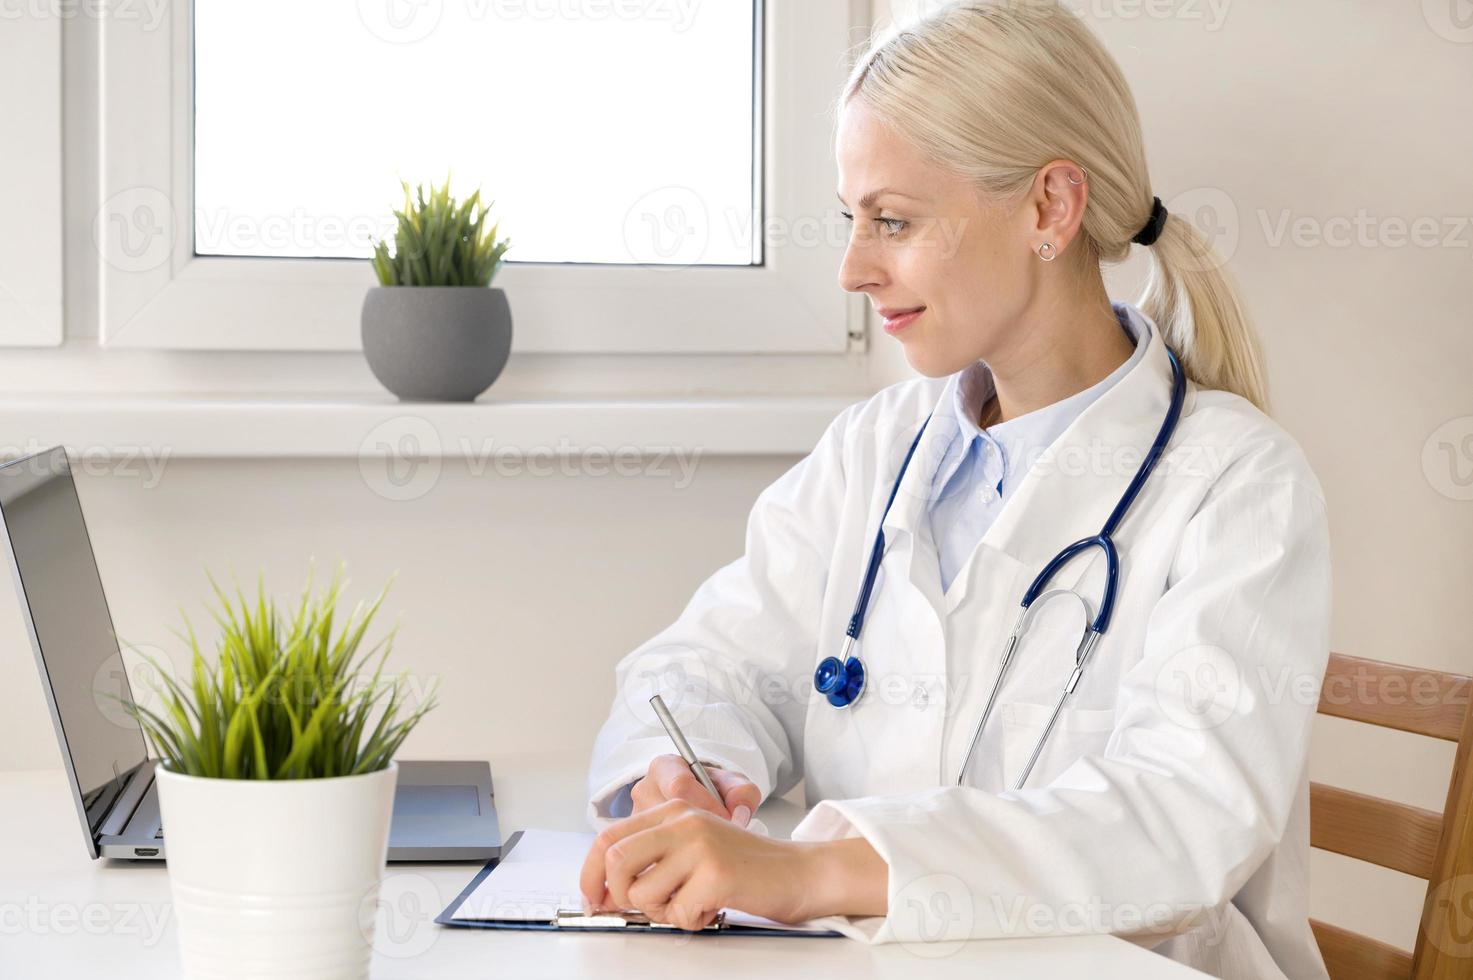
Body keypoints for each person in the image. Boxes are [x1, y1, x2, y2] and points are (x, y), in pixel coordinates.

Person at [579, 4, 1331, 978]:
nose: (854, 266)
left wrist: (812, 870)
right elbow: (714, 658)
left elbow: (1181, 816)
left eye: (893, 219)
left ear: (1051, 209)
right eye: (853, 217)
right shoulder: (877, 450)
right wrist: (688, 772)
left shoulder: (1237, 483)